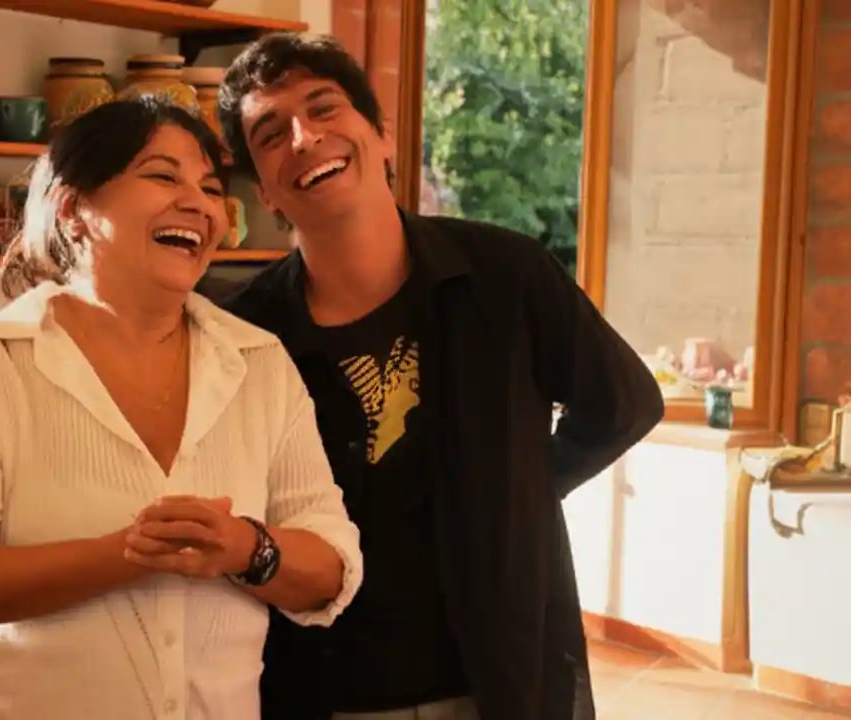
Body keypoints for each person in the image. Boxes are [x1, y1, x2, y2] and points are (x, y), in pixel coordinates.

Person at [214, 34, 665, 720]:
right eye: (270, 134)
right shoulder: (244, 333)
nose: (304, 138)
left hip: (493, 671)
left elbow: (624, 403)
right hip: (323, 683)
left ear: (383, 136)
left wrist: (516, 488)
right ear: (265, 190)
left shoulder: (506, 276)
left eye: (324, 108)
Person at [0, 98, 363, 720]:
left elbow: (330, 567)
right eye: (163, 176)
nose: (199, 204)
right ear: (74, 209)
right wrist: (128, 553)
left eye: (212, 189)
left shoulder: (258, 363)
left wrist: (250, 549)